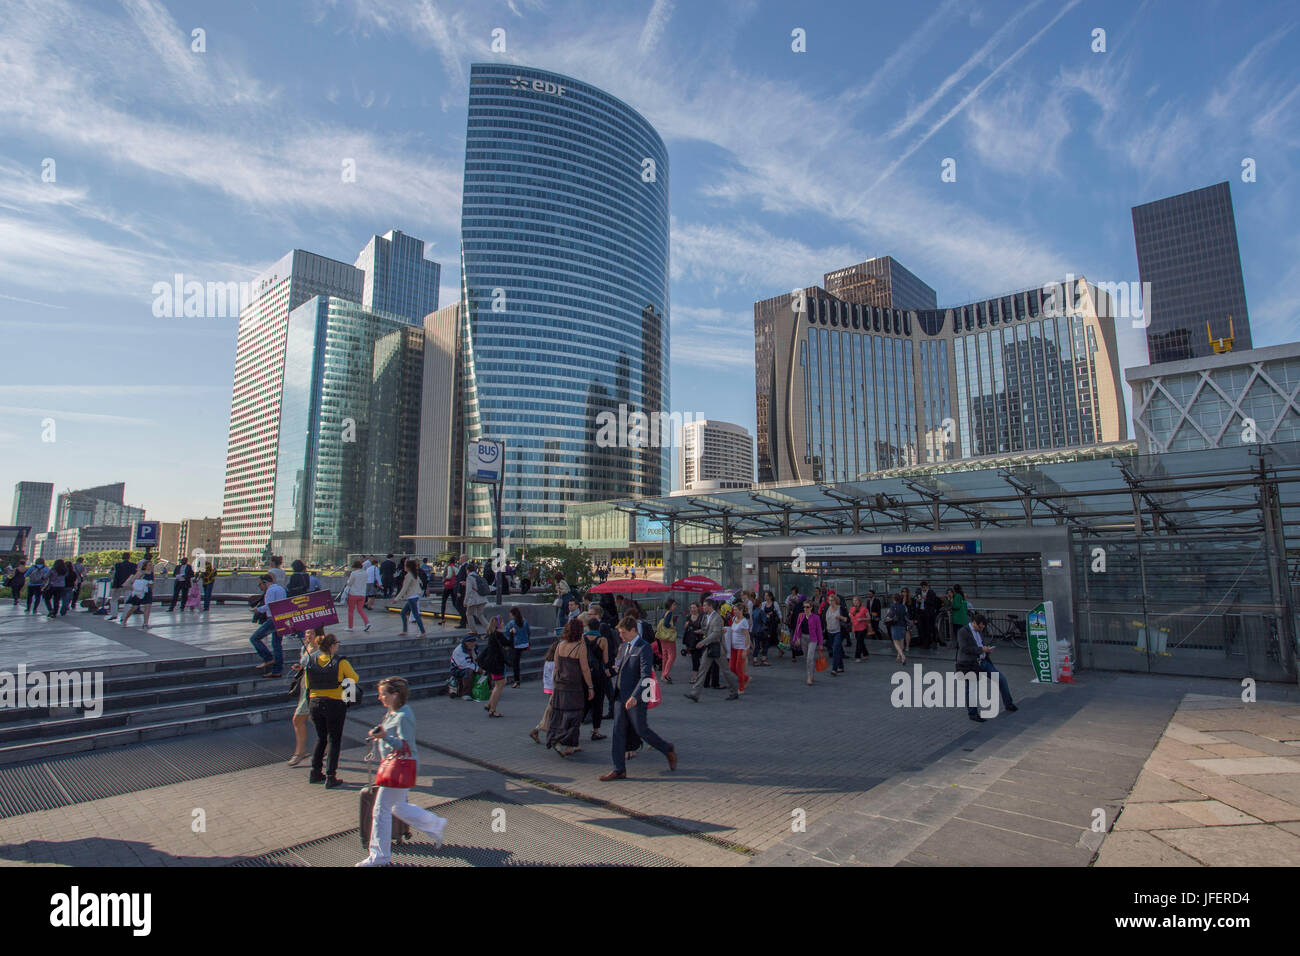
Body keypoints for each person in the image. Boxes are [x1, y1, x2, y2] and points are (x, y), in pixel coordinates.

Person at [357, 676, 448, 866]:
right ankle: (435, 824)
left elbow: (404, 744)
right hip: (399, 766)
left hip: (400, 767)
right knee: (397, 807)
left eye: (383, 694)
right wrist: (381, 736)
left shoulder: (404, 715)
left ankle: (379, 857)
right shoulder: (394, 711)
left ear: (395, 695)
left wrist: (385, 737)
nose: (379, 697)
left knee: (381, 810)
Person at [599, 614, 678, 781]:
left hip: (636, 696)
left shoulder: (644, 648)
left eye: (623, 632)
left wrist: (635, 696)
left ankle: (667, 748)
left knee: (641, 730)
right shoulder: (624, 646)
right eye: (620, 633)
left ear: (633, 630)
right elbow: (620, 667)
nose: (621, 636)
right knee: (617, 731)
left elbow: (645, 675)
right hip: (621, 696)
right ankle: (619, 768)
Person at [304, 631, 357, 787]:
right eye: (337, 643)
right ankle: (330, 775)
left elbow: (308, 685)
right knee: (334, 739)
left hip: (315, 703)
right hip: (335, 703)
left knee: (321, 738)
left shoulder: (311, 660)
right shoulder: (340, 662)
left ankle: (315, 772)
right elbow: (354, 678)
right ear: (333, 645)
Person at [547, 619, 594, 757]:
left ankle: (559, 740)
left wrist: (555, 684)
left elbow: (556, 667)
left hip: (560, 685)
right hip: (574, 685)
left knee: (559, 714)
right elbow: (585, 669)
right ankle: (567, 743)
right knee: (575, 715)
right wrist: (590, 686)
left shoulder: (560, 645)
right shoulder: (580, 646)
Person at [685, 598, 740, 702]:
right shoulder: (707, 617)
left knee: (726, 671)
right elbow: (707, 630)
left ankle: (735, 689)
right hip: (709, 647)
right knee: (702, 669)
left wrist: (703, 642)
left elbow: (716, 633)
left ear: (710, 606)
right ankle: (695, 694)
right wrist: (700, 631)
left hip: (717, 647)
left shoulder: (717, 618)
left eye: (705, 606)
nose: (703, 607)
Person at [287, 629, 323, 766]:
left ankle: (300, 752)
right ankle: (325, 743)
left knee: (297, 719)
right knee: (314, 719)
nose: (308, 636)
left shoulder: (322, 649)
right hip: (305, 686)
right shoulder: (304, 648)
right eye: (307, 633)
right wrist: (300, 667)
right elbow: (304, 665)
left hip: (314, 688)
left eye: (312, 633)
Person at [249, 574, 288, 678]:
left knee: (254, 638)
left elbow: (270, 605)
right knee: (276, 644)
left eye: (260, 584)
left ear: (266, 582)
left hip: (273, 619)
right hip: (282, 618)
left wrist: (257, 609)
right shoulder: (281, 589)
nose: (260, 587)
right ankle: (277, 670)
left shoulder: (270, 591)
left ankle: (268, 658)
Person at [581, 612, 611, 741]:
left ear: (588, 627)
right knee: (598, 702)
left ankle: (575, 726)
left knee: (584, 700)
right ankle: (596, 730)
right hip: (598, 674)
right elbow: (606, 660)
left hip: (585, 672)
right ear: (598, 627)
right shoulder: (602, 640)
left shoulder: (582, 638)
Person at [792, 599, 824, 685]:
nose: (805, 609)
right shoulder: (801, 616)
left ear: (811, 608)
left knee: (810, 657)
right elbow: (797, 628)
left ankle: (809, 676)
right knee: (807, 658)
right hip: (803, 638)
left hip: (813, 639)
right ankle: (812, 672)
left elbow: (819, 631)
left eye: (807, 607)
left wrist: (821, 644)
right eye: (804, 607)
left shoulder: (816, 617)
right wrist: (796, 638)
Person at [118, 560, 155, 629]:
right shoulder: (141, 572)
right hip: (140, 591)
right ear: (145, 566)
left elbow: (153, 582)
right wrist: (144, 582)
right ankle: (125, 620)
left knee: (148, 606)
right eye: (149, 565)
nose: (151, 566)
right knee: (134, 607)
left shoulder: (152, 573)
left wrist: (151, 587)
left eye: (151, 565)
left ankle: (145, 623)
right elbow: (133, 581)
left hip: (147, 591)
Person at [396, 559, 426, 635]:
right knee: (403, 613)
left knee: (415, 615)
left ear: (408, 567)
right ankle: (405, 631)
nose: (404, 567)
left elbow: (404, 588)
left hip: (412, 597)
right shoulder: (414, 574)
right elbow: (420, 583)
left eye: (405, 566)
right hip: (415, 596)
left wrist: (396, 598)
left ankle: (423, 632)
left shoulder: (408, 576)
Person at [727, 602, 751, 693]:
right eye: (734, 610)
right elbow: (732, 630)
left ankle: (741, 687)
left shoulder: (744, 621)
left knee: (738, 668)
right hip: (733, 647)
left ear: (741, 610)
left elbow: (747, 636)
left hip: (741, 647)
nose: (734, 611)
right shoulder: (733, 618)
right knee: (731, 667)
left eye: (736, 610)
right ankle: (746, 678)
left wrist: (745, 650)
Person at [342, 560, 372, 632]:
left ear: (355, 567)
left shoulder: (354, 573)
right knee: (360, 609)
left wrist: (348, 581)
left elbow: (349, 583)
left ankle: (350, 627)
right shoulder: (365, 573)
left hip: (353, 594)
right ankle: (367, 623)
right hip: (362, 594)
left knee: (351, 611)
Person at [505, 606, 530, 688]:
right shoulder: (525, 621)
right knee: (517, 661)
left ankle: (517, 681)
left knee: (515, 663)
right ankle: (517, 680)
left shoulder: (511, 623)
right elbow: (528, 631)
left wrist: (511, 632)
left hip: (516, 644)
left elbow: (507, 634)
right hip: (524, 643)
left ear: (512, 614)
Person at [824, 593, 849, 675]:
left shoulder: (840, 609)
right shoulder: (827, 609)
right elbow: (823, 620)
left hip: (838, 632)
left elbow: (847, 619)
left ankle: (834, 669)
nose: (830, 602)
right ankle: (841, 666)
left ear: (836, 600)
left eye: (832, 600)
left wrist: (841, 617)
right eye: (829, 600)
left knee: (835, 650)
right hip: (830, 632)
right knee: (837, 649)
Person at [655, 598, 679, 683]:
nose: (675, 606)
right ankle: (665, 674)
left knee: (665, 656)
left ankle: (663, 674)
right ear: (670, 605)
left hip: (662, 637)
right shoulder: (670, 613)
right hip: (669, 637)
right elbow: (666, 624)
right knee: (672, 655)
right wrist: (673, 627)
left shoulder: (664, 612)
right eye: (674, 605)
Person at [463, 562, 490, 634]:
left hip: (474, 599)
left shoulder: (469, 577)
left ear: (468, 570)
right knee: (480, 615)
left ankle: (473, 630)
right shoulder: (478, 576)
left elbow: (468, 591)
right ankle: (489, 628)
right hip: (483, 598)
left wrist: (465, 601)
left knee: (469, 614)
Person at [886, 591, 910, 665]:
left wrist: (888, 614)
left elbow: (890, 616)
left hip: (895, 625)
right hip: (903, 625)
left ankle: (902, 656)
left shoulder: (893, 606)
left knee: (895, 641)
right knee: (901, 641)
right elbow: (907, 615)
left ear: (894, 599)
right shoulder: (903, 606)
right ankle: (898, 655)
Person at [850, 595, 871, 661]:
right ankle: (865, 653)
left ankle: (857, 656)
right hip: (855, 627)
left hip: (862, 627)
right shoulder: (852, 609)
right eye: (853, 600)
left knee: (859, 642)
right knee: (860, 641)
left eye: (856, 600)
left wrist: (862, 619)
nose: (854, 602)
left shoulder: (864, 609)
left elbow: (869, 618)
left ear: (859, 601)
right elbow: (851, 616)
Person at [439, 556, 459, 620]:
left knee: (444, 602)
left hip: (447, 586)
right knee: (454, 602)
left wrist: (444, 580)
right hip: (454, 586)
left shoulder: (448, 567)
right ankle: (463, 615)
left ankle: (442, 617)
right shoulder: (456, 567)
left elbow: (448, 576)